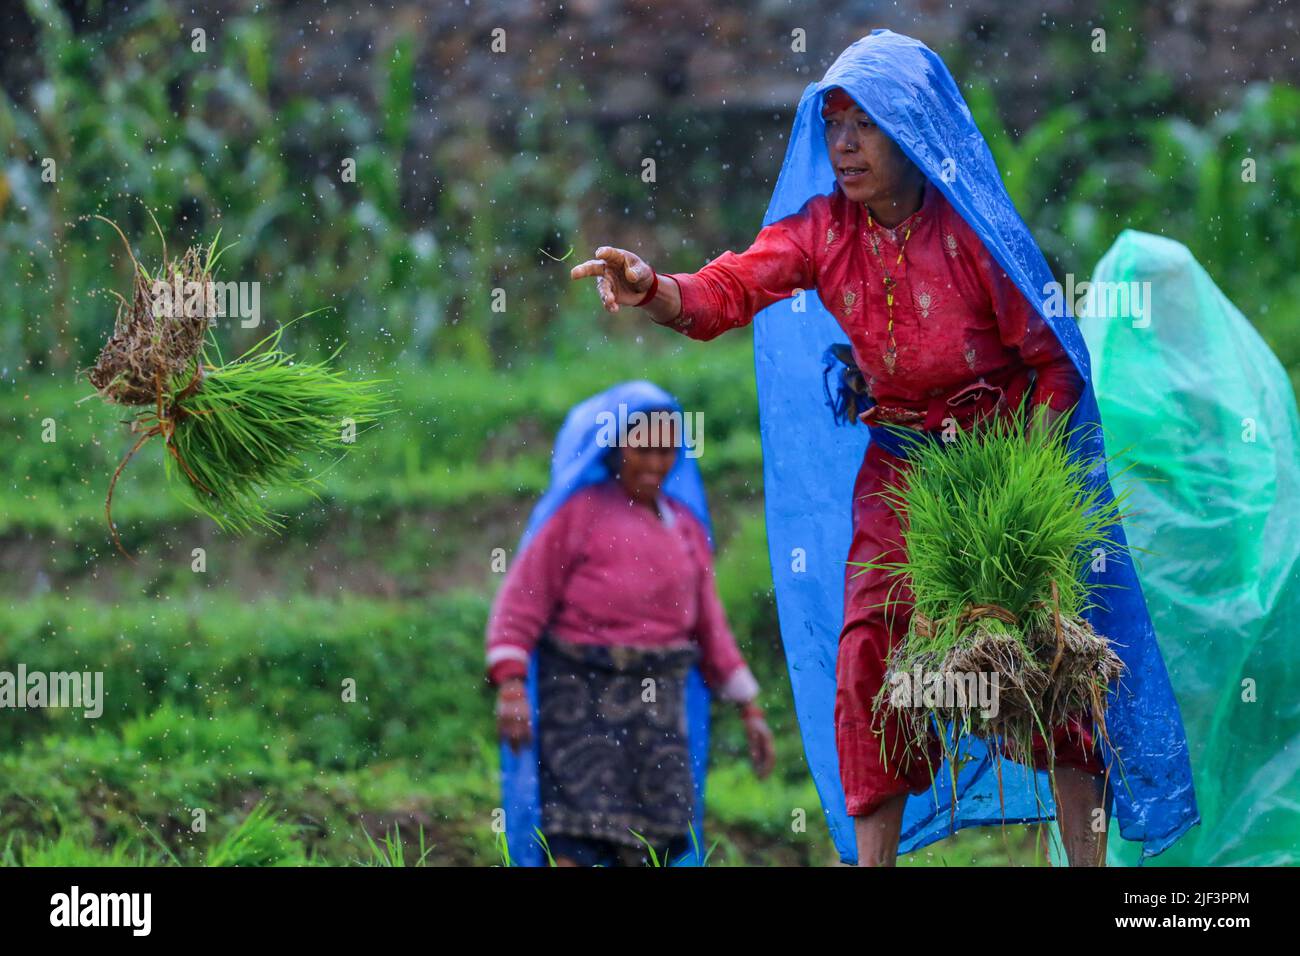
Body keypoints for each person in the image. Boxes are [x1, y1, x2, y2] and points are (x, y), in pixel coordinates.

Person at [571, 32, 1197, 866]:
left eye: (867, 124)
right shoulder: (823, 232)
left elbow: (1052, 365)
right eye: (835, 124)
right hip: (901, 461)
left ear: (915, 132)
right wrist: (655, 289)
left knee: (1052, 655)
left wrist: (1022, 490)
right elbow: (732, 288)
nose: (845, 144)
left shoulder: (973, 239)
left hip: (1007, 452)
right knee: (868, 654)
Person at [487, 381, 775, 867]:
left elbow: (709, 624)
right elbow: (522, 600)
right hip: (579, 695)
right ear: (617, 447)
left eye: (667, 450)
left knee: (653, 840)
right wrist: (512, 686)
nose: (655, 463)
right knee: (577, 833)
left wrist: (749, 708)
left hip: (659, 701)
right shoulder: (578, 514)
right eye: (644, 449)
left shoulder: (683, 524)